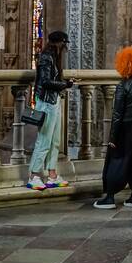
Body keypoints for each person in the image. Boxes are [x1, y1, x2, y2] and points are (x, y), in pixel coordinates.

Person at [94, 46, 132, 209]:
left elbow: (117, 114)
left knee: (117, 160)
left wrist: (113, 138)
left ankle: (110, 197)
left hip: (127, 128)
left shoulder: (123, 85)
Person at [28, 30, 74, 191]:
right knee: (44, 139)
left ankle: (52, 174)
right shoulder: (46, 57)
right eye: (64, 44)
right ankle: (34, 175)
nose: (65, 48)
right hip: (46, 102)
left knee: (55, 140)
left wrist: (64, 83)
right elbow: (46, 82)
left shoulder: (53, 56)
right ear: (59, 43)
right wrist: (65, 85)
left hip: (54, 101)